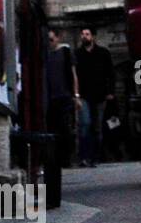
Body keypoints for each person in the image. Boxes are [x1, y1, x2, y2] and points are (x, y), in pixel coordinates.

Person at [44, 29, 79, 204]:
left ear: (57, 38)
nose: (49, 42)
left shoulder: (65, 52)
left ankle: (67, 157)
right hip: (50, 99)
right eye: (47, 40)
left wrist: (76, 95)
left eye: (51, 39)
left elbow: (73, 74)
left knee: (66, 129)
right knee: (52, 133)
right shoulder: (44, 55)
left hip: (64, 97)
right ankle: (57, 159)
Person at [74, 27, 114, 167]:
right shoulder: (77, 54)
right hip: (84, 95)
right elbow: (74, 75)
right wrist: (76, 94)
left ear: (93, 37)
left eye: (87, 34)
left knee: (97, 127)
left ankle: (95, 157)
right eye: (82, 34)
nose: (84, 36)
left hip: (100, 95)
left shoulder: (103, 53)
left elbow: (110, 73)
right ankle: (84, 157)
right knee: (85, 124)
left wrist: (110, 92)